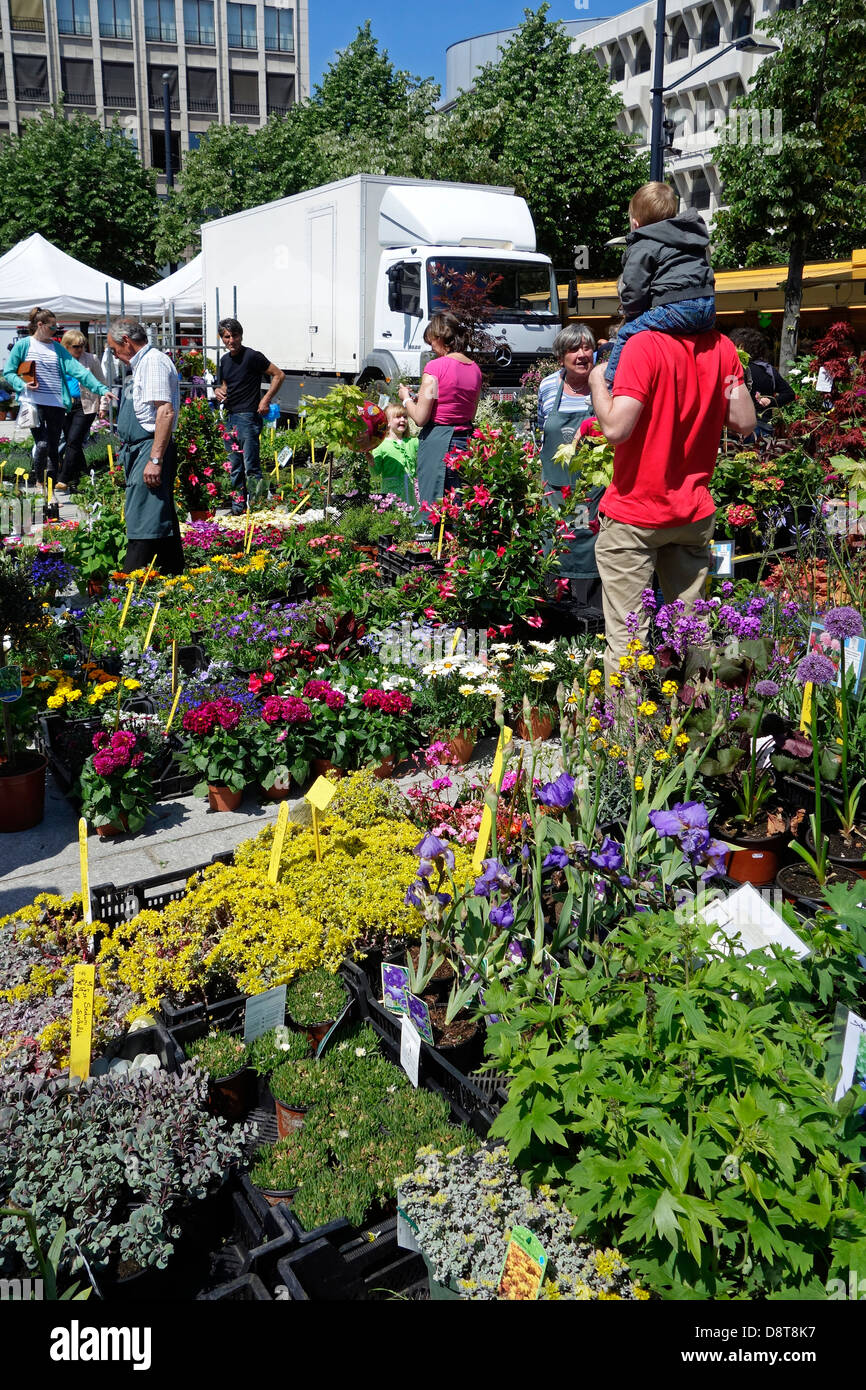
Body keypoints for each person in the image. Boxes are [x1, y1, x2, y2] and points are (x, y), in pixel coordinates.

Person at [589, 326, 757, 684]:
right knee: (693, 627)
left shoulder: (643, 345)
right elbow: (744, 422)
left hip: (635, 512)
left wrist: (596, 383)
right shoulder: (722, 346)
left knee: (628, 634)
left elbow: (616, 428)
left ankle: (627, 733)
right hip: (692, 513)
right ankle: (700, 719)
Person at [604, 182, 716, 387]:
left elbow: (634, 288)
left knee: (627, 333)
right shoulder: (690, 238)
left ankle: (610, 384)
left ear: (635, 223)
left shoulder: (642, 244)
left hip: (676, 306)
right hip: (707, 308)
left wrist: (632, 314)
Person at [106, 317, 184, 576]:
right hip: (140, 449)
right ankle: (172, 574)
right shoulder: (141, 364)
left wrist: (155, 459)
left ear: (126, 341)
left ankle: (129, 583)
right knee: (157, 514)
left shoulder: (152, 363)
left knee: (142, 516)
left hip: (150, 448)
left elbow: (164, 412)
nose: (116, 356)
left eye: (115, 350)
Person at [5, 308, 113, 491]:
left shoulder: (57, 348)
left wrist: (101, 389)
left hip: (56, 403)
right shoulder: (24, 345)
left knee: (54, 448)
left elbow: (78, 371)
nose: (56, 329)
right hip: (33, 403)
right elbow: (9, 371)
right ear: (40, 325)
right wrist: (22, 384)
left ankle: (50, 490)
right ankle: (40, 482)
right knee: (42, 444)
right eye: (52, 326)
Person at [537, 324, 602, 605]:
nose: (581, 354)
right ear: (561, 356)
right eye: (574, 349)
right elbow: (543, 430)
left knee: (589, 546)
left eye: (586, 347)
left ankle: (594, 616)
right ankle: (557, 615)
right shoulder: (549, 386)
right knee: (556, 546)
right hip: (554, 490)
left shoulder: (604, 386)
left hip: (594, 491)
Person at [398, 312, 482, 507]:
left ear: (439, 337)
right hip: (467, 443)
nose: (432, 348)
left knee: (439, 511)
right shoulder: (475, 369)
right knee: (462, 507)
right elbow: (470, 411)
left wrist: (405, 399)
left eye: (431, 342)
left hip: (440, 445)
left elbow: (420, 417)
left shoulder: (435, 367)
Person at [213, 318, 285, 515]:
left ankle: (257, 507)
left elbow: (278, 374)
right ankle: (238, 508)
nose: (231, 340)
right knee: (234, 466)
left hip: (248, 417)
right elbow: (226, 385)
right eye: (227, 336)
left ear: (241, 336)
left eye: (235, 335)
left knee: (251, 466)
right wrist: (219, 390)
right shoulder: (224, 361)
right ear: (222, 339)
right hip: (230, 417)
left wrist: (266, 399)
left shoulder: (252, 356)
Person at [56, 330, 106, 492]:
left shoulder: (91, 359)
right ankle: (82, 478)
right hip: (64, 407)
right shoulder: (60, 360)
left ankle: (63, 478)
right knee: (74, 445)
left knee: (73, 441)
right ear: (67, 346)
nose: (80, 349)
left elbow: (101, 382)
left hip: (86, 405)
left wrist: (103, 406)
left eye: (83, 345)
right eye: (76, 346)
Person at [727, 327, 796, 440]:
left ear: (743, 347)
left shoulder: (736, 370)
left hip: (736, 428)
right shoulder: (767, 370)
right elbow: (789, 394)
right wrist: (771, 401)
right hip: (763, 428)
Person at [371, 405, 418, 504]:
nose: (403, 419)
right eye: (398, 417)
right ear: (387, 423)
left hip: (411, 496)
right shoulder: (381, 445)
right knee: (395, 518)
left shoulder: (412, 442)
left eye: (405, 417)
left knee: (412, 517)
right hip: (392, 496)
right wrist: (370, 461)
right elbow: (375, 472)